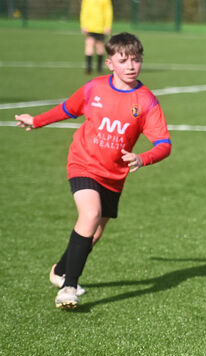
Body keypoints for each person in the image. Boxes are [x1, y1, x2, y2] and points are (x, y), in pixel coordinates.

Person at [14, 33, 172, 309]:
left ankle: (60, 270)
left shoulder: (146, 101)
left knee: (94, 232)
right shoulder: (94, 89)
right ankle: (68, 287)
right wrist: (37, 121)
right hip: (83, 162)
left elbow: (164, 144)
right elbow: (67, 108)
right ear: (110, 63)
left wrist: (142, 158)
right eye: (123, 61)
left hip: (114, 175)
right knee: (90, 213)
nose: (131, 66)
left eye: (136, 60)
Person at [80, 0, 113, 74]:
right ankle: (88, 67)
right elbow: (84, 12)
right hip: (90, 27)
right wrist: (83, 25)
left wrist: (108, 26)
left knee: (100, 47)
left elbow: (108, 12)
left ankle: (99, 68)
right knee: (89, 45)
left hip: (101, 27)